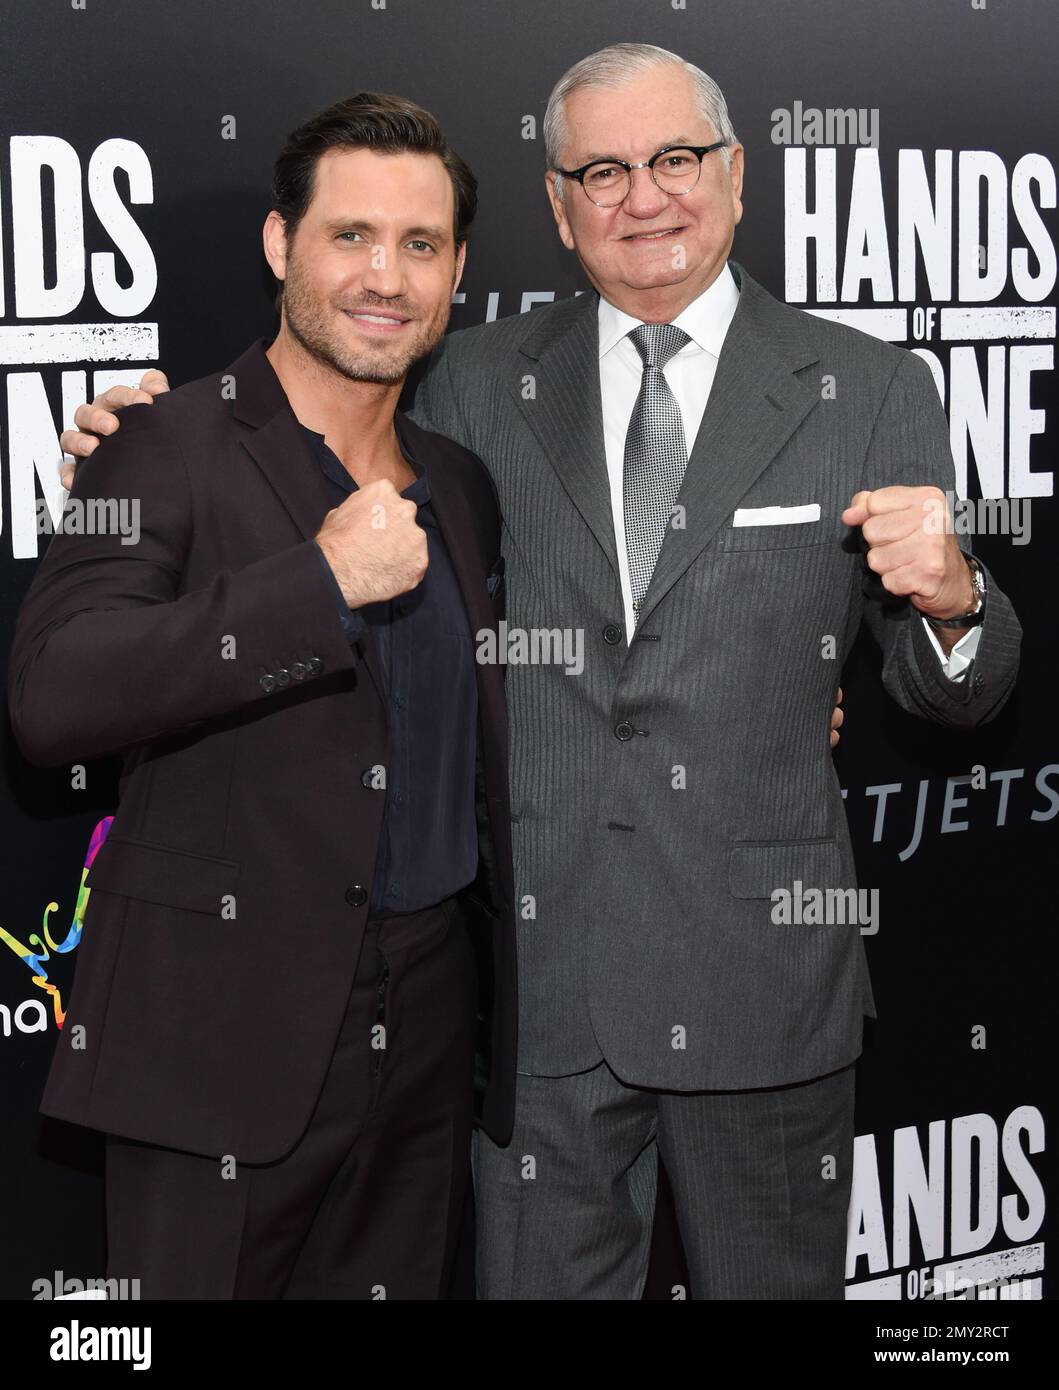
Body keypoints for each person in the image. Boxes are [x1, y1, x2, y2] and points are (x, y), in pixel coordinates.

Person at [59, 44, 1020, 1301]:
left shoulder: (871, 386)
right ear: (558, 209)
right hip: (531, 996)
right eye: (601, 170)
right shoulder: (463, 384)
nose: (645, 196)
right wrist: (126, 435)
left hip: (763, 986)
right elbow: (303, 436)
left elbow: (949, 689)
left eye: (677, 160)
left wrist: (958, 601)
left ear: (737, 177)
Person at [9, 92, 516, 1300]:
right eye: (350, 235)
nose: (384, 275)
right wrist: (321, 583)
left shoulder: (463, 481)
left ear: (456, 275)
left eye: (420, 244)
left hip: (433, 1019)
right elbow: (53, 696)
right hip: (218, 1031)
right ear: (282, 245)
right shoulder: (156, 445)